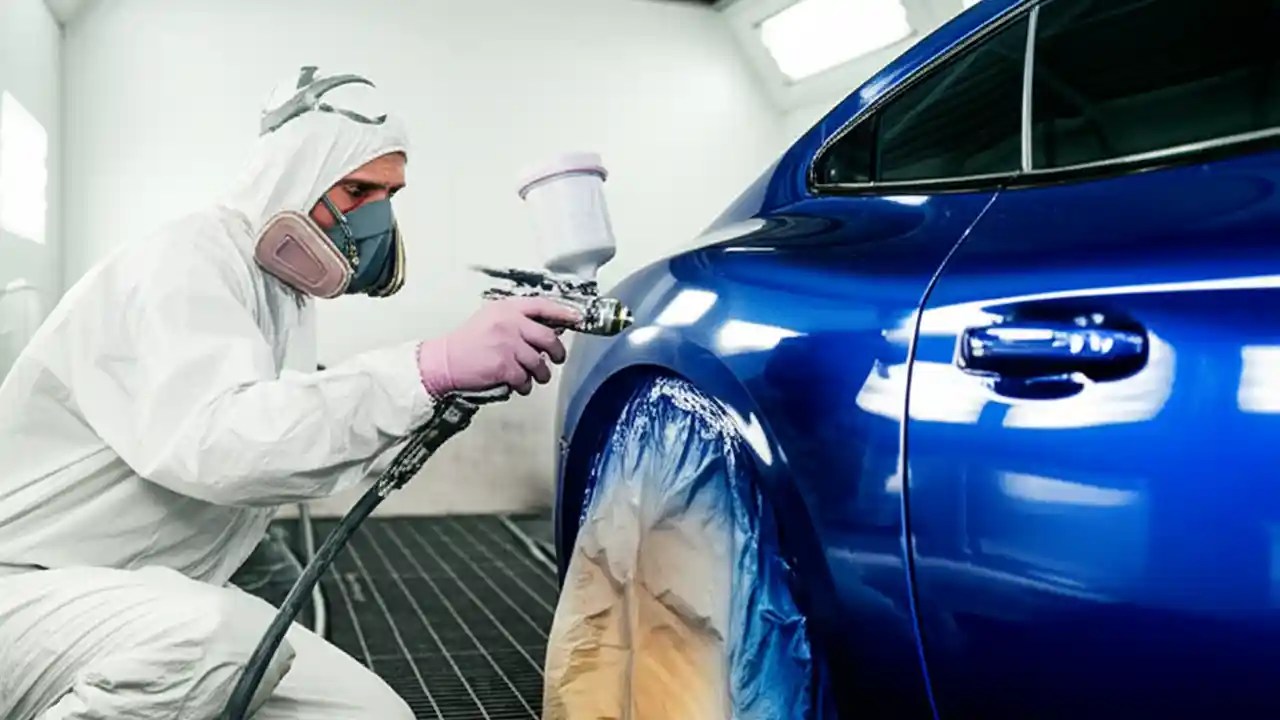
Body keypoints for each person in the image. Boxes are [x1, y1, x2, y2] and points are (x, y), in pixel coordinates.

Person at [0, 66, 578, 719]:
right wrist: (430, 366)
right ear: (290, 181)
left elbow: (285, 427)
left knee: (371, 715)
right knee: (218, 641)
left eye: (390, 193)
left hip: (135, 596)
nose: (377, 216)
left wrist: (437, 387)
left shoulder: (281, 297)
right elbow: (223, 444)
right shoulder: (183, 261)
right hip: (27, 595)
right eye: (358, 189)